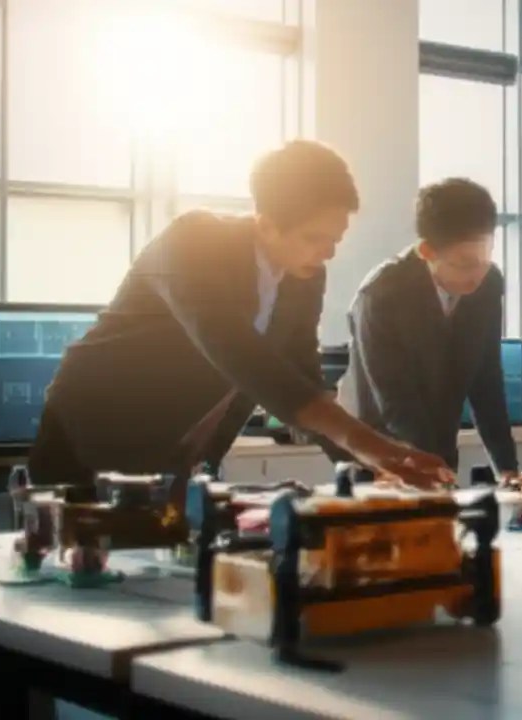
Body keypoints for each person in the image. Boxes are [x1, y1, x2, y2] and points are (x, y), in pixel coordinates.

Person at [28, 140, 452, 495]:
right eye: (315, 238)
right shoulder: (194, 242)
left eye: (336, 239)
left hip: (178, 450)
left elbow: (302, 380)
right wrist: (371, 445)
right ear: (265, 225)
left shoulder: (304, 277)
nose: (328, 252)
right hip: (90, 430)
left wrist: (371, 467)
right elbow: (239, 354)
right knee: (80, 563)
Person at [338, 177, 520, 482]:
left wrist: (508, 471)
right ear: (426, 251)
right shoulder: (382, 293)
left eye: (485, 258)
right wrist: (433, 469)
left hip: (441, 455)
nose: (477, 274)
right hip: (383, 460)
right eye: (465, 263)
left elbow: (486, 380)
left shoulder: (489, 284)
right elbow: (396, 402)